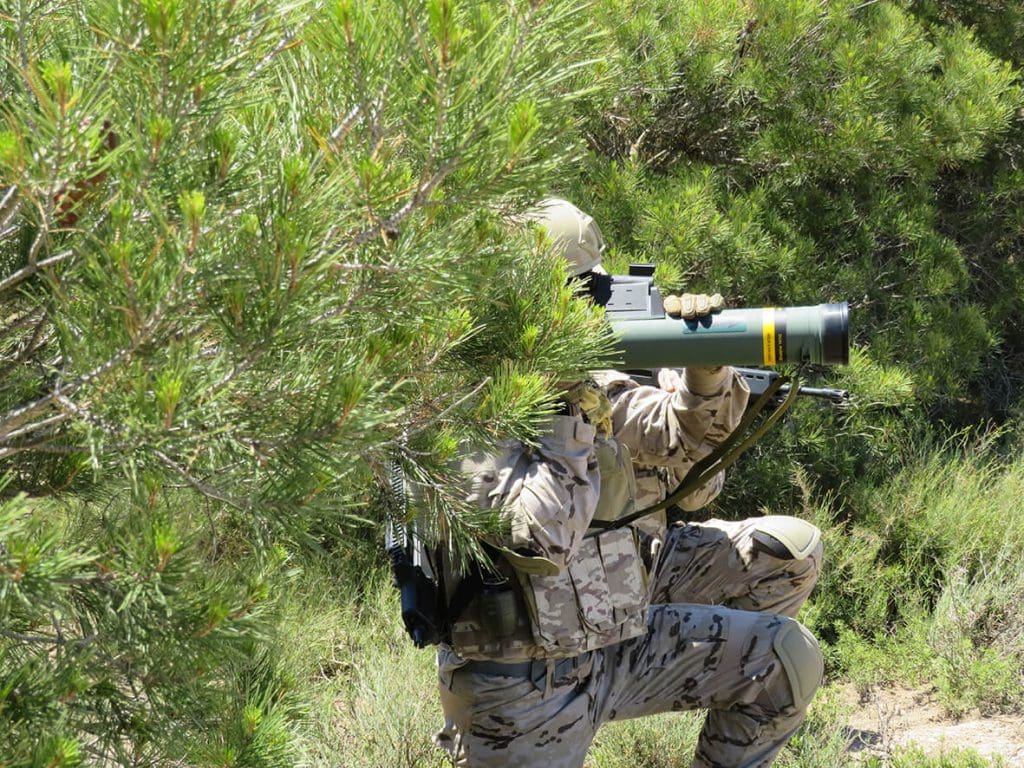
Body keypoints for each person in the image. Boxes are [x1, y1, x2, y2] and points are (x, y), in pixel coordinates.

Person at [430, 199, 824, 768]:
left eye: (592, 290)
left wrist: (704, 364)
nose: (591, 307)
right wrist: (568, 413)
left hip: (614, 636)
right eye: (575, 293)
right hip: (524, 687)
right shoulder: (458, 405)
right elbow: (540, 542)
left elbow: (675, 438)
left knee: (784, 657)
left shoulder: (580, 379)